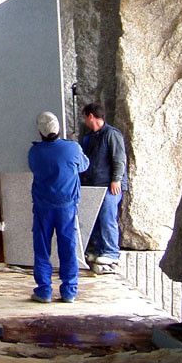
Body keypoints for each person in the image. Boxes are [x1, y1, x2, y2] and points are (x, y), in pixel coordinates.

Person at [27, 111, 89, 304]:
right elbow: (84, 165)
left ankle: (44, 291)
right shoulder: (72, 148)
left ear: (40, 132)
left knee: (42, 249)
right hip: (67, 207)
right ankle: (69, 291)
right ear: (59, 129)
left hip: (43, 207)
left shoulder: (35, 152)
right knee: (68, 248)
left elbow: (33, 168)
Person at [80, 102, 127, 273]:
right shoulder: (89, 137)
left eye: (85, 117)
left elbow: (119, 158)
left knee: (107, 218)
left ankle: (110, 251)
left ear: (91, 116)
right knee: (96, 219)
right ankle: (98, 249)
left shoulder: (111, 134)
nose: (84, 121)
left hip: (108, 185)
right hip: (92, 184)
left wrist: (116, 180)